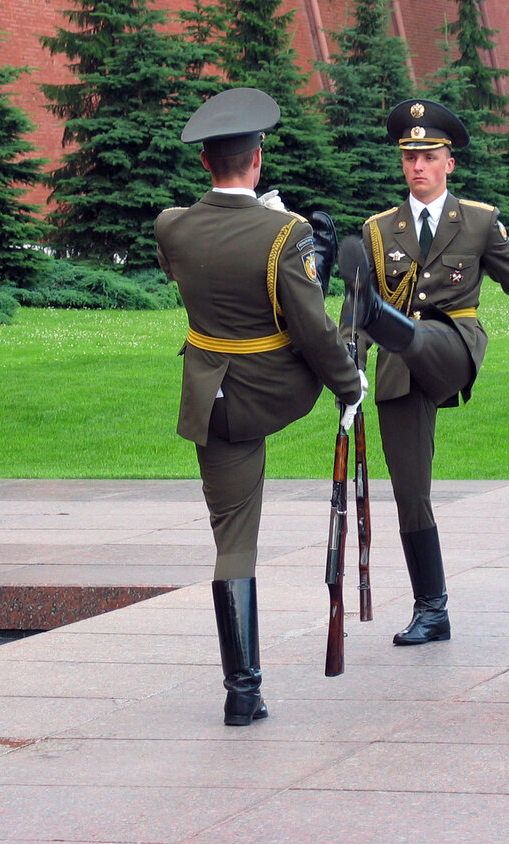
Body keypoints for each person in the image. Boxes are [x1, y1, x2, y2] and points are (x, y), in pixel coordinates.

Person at [155, 87, 366, 726]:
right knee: (318, 333)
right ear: (258, 158)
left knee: (233, 542)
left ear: (204, 164)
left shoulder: (172, 226)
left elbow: (199, 256)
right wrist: (349, 384)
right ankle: (243, 686)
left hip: (208, 397)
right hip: (271, 391)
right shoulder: (286, 233)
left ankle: (241, 690)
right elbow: (310, 328)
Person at [338, 98, 509, 646]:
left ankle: (394, 323)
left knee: (416, 332)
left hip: (454, 346)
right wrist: (347, 368)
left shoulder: (478, 220)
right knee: (409, 491)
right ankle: (432, 608)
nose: (418, 166)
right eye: (410, 157)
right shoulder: (378, 230)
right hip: (400, 367)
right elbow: (351, 316)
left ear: (450, 162)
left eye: (429, 156)